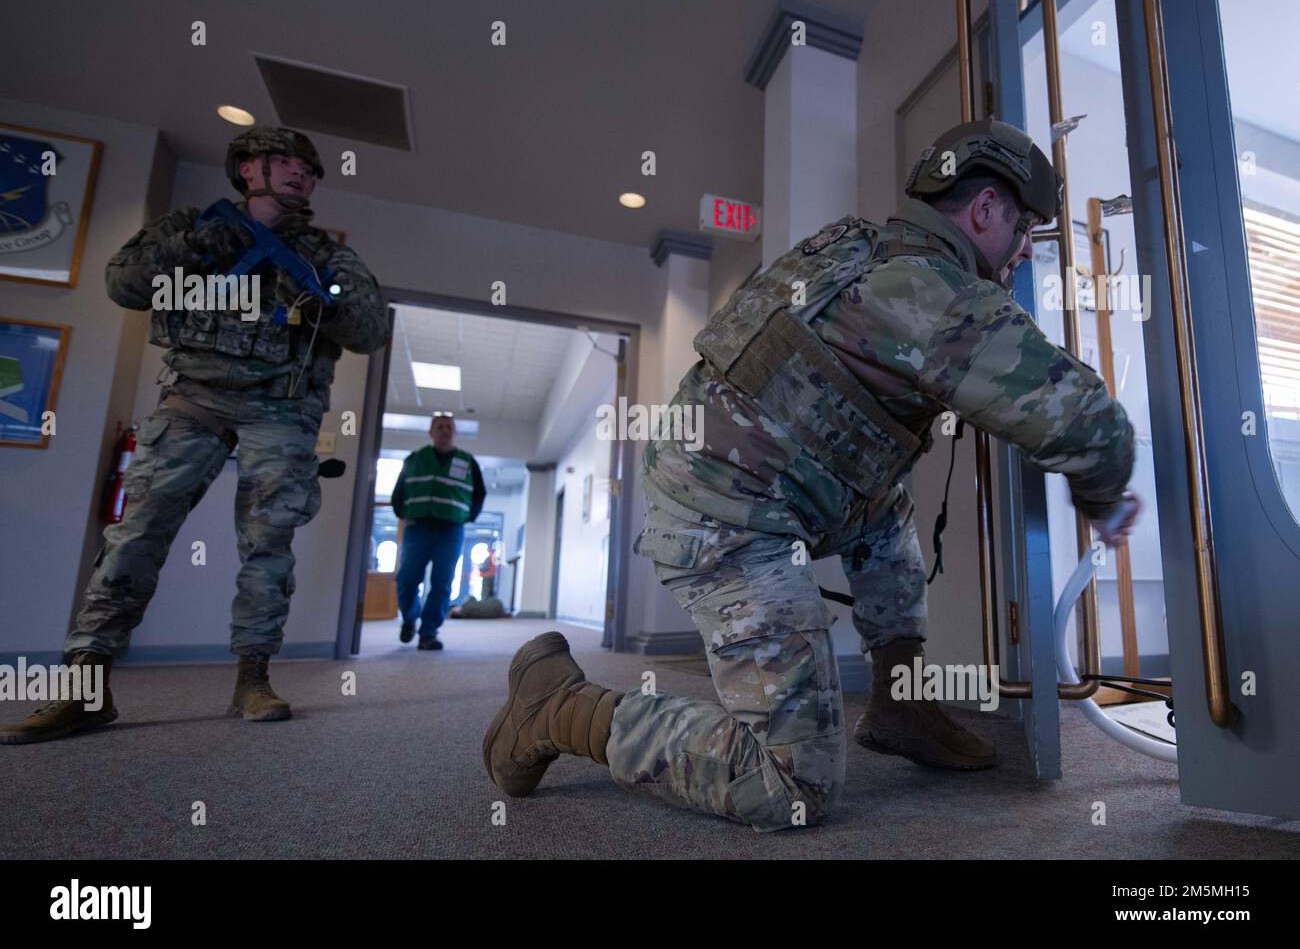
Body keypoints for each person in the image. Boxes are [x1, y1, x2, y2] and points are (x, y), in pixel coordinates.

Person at [483, 119, 1141, 831]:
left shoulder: (856, 245)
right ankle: (558, 707)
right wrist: (1104, 496)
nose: (1021, 254)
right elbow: (1085, 423)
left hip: (775, 481)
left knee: (885, 513)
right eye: (1025, 231)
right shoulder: (931, 292)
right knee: (790, 786)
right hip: (728, 515)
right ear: (984, 211)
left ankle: (898, 702)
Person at [0, 126, 388, 745]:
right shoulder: (193, 226)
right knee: (134, 537)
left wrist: (325, 305)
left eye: (308, 168)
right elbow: (123, 284)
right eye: (283, 161)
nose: (299, 174)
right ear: (246, 169)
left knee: (268, 548)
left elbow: (370, 330)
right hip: (193, 399)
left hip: (280, 408)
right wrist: (196, 245)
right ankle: (85, 689)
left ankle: (253, 679)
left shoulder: (323, 253)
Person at [391, 413, 486, 650]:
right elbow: (399, 492)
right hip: (417, 528)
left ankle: (428, 633)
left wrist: (468, 517)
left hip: (451, 530)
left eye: (449, 427)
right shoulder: (414, 459)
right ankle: (410, 618)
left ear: (455, 432)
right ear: (431, 432)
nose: (445, 430)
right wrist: (403, 514)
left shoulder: (468, 461)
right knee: (407, 579)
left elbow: (479, 494)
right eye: (440, 427)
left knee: (442, 582)